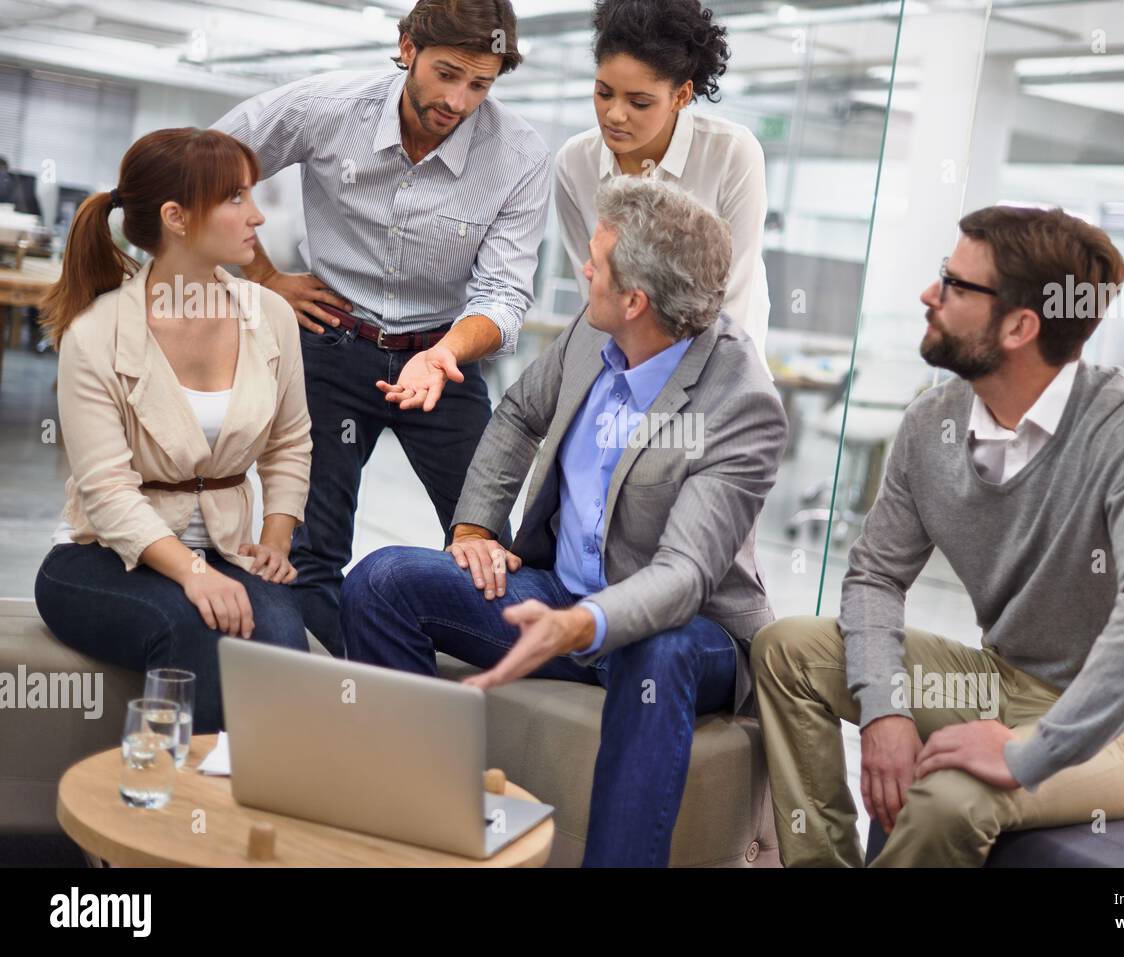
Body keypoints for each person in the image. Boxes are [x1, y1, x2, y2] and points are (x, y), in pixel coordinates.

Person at [340, 177, 787, 866]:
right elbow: (519, 414)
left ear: (635, 299)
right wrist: (476, 529)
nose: (583, 267)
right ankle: (423, 827)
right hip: (559, 593)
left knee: (654, 649)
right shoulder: (592, 328)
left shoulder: (739, 402)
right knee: (382, 580)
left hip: (688, 628)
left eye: (596, 261)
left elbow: (684, 575)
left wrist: (583, 625)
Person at [752, 206, 1124, 867]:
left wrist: (1030, 751)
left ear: (1022, 325)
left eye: (955, 285)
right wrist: (884, 709)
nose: (928, 295)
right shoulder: (930, 423)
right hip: (1000, 679)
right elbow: (877, 575)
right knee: (786, 649)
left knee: (950, 797)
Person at [211, 0, 551, 655]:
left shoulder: (519, 155)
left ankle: (445, 676)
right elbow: (208, 163)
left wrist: (446, 353)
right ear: (406, 48)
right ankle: (374, 681)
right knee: (310, 557)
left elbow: (505, 294)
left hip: (441, 362)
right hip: (331, 350)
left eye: (480, 84)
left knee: (489, 548)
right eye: (447, 74)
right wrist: (263, 275)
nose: (458, 99)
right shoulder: (326, 108)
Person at [34, 128, 313, 733]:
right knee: (193, 627)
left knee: (286, 634)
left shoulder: (271, 316)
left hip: (224, 548)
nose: (256, 215)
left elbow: (290, 442)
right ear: (176, 217)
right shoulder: (96, 334)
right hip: (99, 556)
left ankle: (265, 806)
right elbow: (107, 494)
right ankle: (181, 809)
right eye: (236, 198)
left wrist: (276, 537)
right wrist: (193, 573)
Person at [554, 0, 771, 363]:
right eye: (604, 93)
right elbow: (595, 295)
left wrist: (699, 394)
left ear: (681, 96)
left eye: (639, 102)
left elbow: (735, 299)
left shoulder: (731, 154)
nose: (615, 114)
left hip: (720, 371)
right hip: (623, 368)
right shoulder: (575, 163)